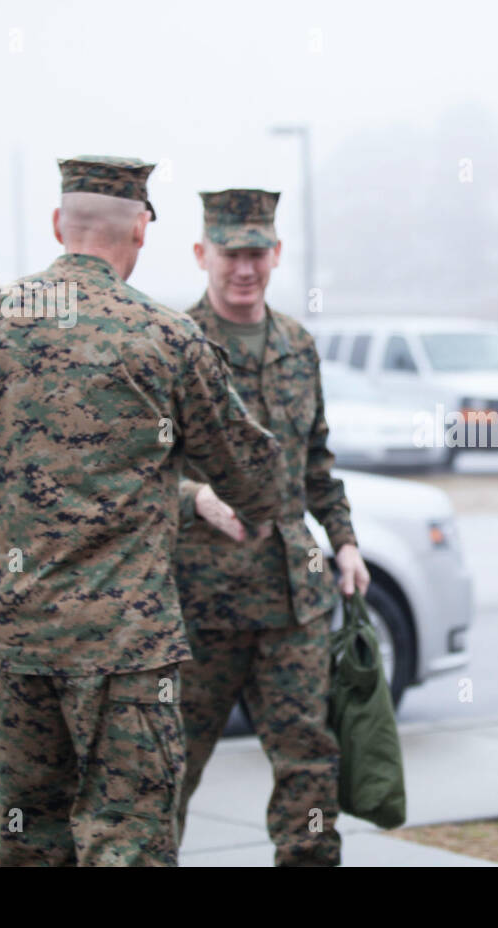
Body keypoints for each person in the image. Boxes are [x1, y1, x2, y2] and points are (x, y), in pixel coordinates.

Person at [0, 156, 284, 867]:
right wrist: (249, 506)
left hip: (16, 646)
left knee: (31, 839)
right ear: (140, 231)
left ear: (57, 226)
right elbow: (251, 471)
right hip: (127, 653)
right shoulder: (166, 338)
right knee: (126, 843)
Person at [174, 188, 368, 867]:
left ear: (276, 254)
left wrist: (343, 539)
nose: (244, 268)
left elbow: (317, 460)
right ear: (203, 254)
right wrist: (194, 496)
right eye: (230, 254)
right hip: (199, 604)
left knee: (309, 760)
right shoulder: (172, 344)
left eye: (256, 253)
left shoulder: (297, 344)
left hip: (294, 596)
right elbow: (136, 466)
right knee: (168, 768)